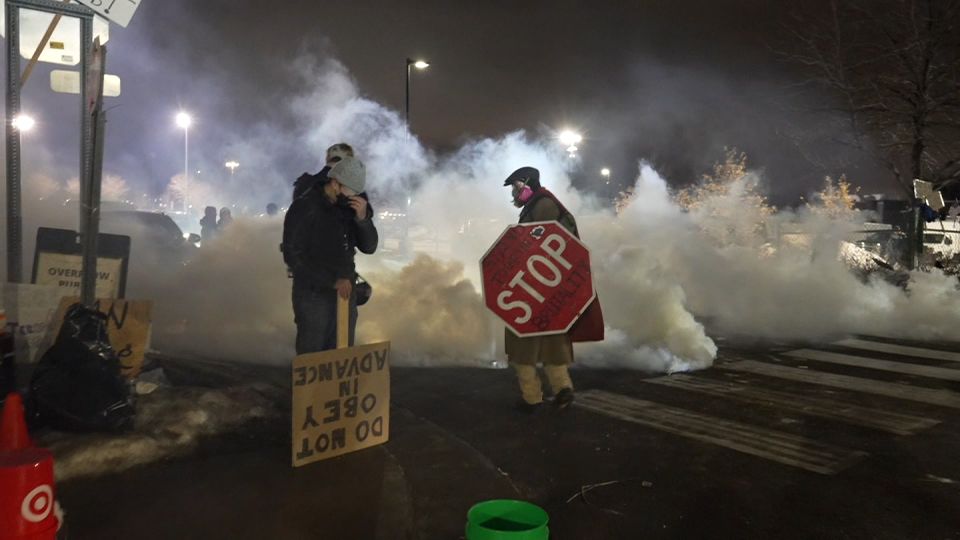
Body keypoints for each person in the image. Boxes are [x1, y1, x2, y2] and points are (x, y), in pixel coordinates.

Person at [501, 166, 604, 413]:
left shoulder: (543, 206)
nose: (514, 192)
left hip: (536, 287)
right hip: (547, 286)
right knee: (551, 341)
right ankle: (562, 389)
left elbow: (539, 246)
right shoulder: (540, 204)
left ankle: (532, 398)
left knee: (522, 343)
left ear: (527, 184)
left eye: (516, 186)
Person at [285, 156, 378, 354]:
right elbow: (293, 255)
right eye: (349, 190)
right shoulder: (305, 207)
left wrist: (363, 220)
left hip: (345, 293)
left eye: (356, 191)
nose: (353, 196)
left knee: (342, 353)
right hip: (313, 294)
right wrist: (331, 281)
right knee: (313, 355)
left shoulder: (350, 210)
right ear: (335, 183)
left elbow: (369, 247)